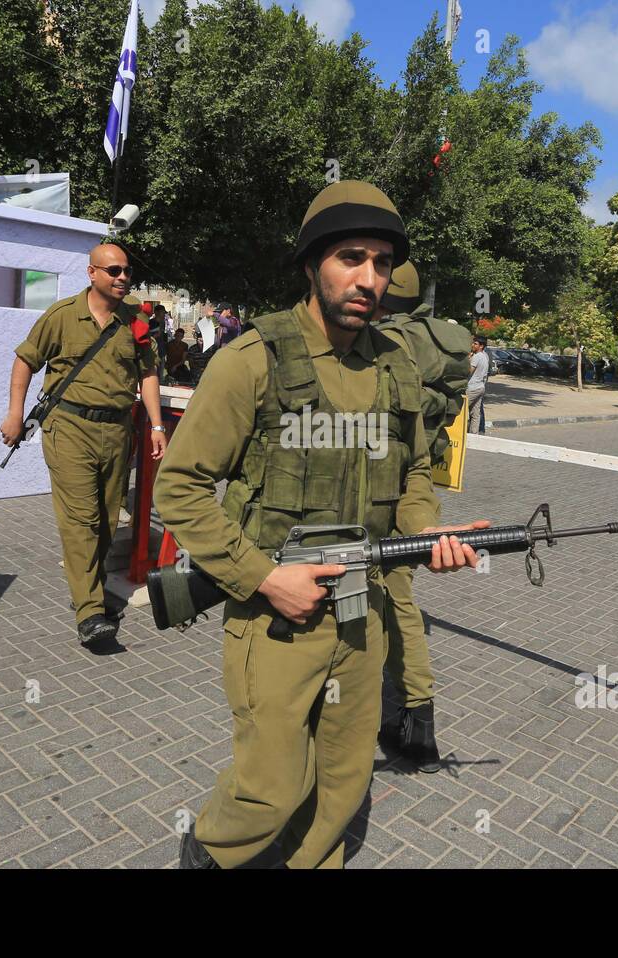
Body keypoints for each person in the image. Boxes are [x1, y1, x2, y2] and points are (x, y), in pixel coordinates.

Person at [153, 181, 486, 870]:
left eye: (382, 263)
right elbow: (180, 487)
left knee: (339, 788)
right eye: (350, 258)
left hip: (361, 620)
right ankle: (203, 855)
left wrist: (430, 539)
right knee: (269, 789)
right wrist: (265, 577)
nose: (368, 278)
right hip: (275, 621)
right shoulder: (254, 361)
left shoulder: (395, 366)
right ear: (312, 264)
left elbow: (415, 473)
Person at [0, 241, 167, 646]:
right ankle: (90, 611)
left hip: (117, 431)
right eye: (113, 271)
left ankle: (92, 588)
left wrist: (157, 426)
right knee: (81, 521)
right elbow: (26, 360)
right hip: (69, 428)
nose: (122, 277)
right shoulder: (62, 316)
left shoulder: (134, 322)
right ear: (92, 273)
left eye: (127, 270)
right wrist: (14, 413)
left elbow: (147, 375)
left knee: (108, 521)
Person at [374, 260, 473, 772]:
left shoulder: (381, 343)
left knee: (390, 598)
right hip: (416, 484)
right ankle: (417, 725)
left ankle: (413, 727)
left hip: (374, 486)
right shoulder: (443, 343)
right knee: (398, 596)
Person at [467, 335, 490, 433]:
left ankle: (461, 433)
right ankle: (474, 434)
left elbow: (469, 372)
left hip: (472, 388)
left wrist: (468, 359)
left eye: (475, 344)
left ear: (481, 346)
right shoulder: (485, 356)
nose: (473, 345)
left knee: (462, 409)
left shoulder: (476, 357)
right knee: (476, 413)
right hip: (481, 387)